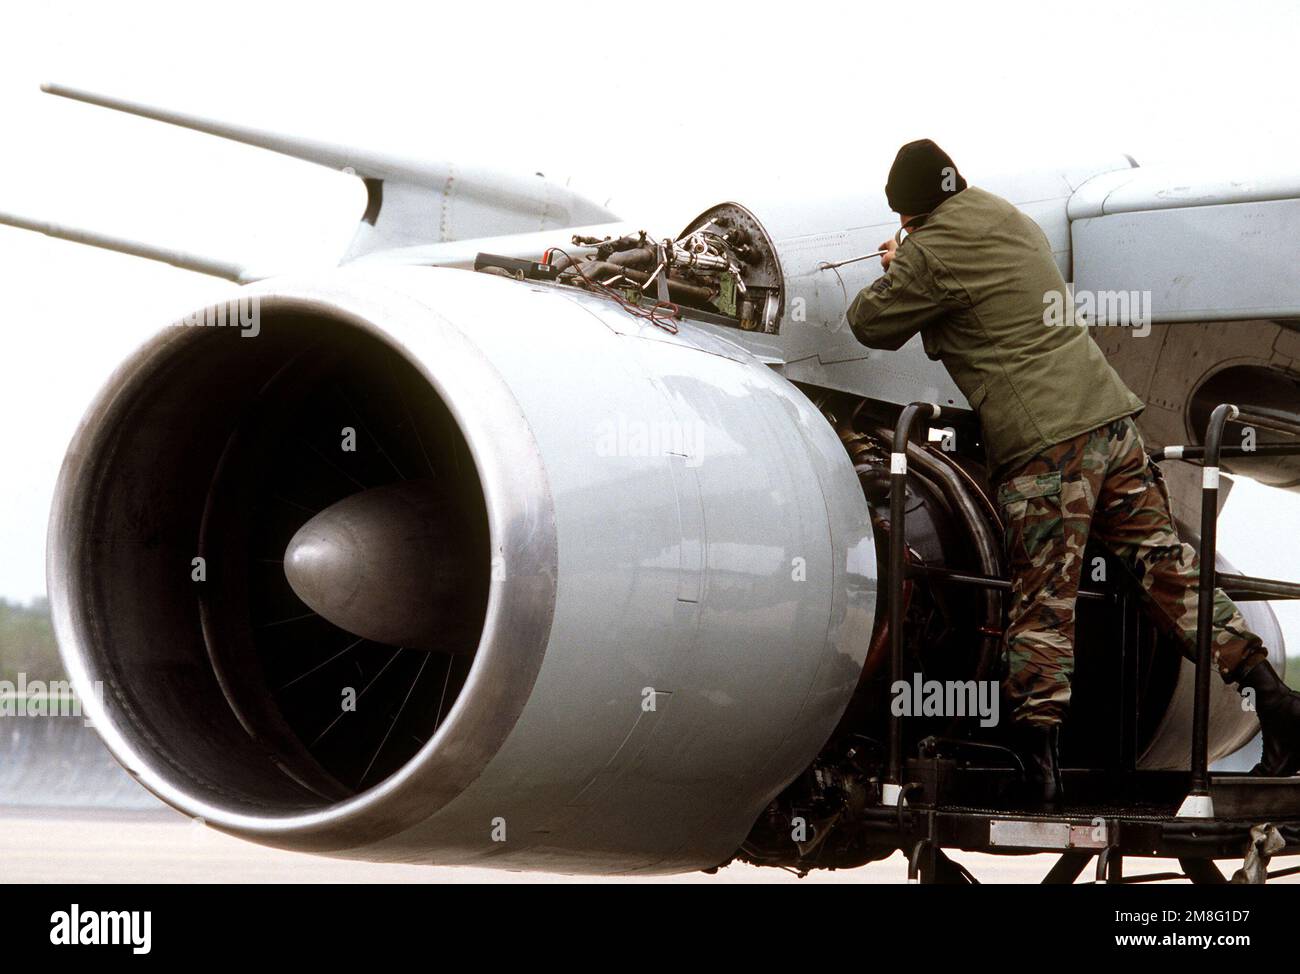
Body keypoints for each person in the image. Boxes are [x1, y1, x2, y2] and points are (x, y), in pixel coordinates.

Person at [845, 138, 1300, 802]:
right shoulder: (1004, 214)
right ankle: (1276, 702)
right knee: (1167, 568)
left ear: (909, 213)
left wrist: (897, 261)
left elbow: (869, 325)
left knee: (1042, 601)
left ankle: (1038, 761)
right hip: (1113, 425)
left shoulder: (928, 251)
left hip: (1046, 442)